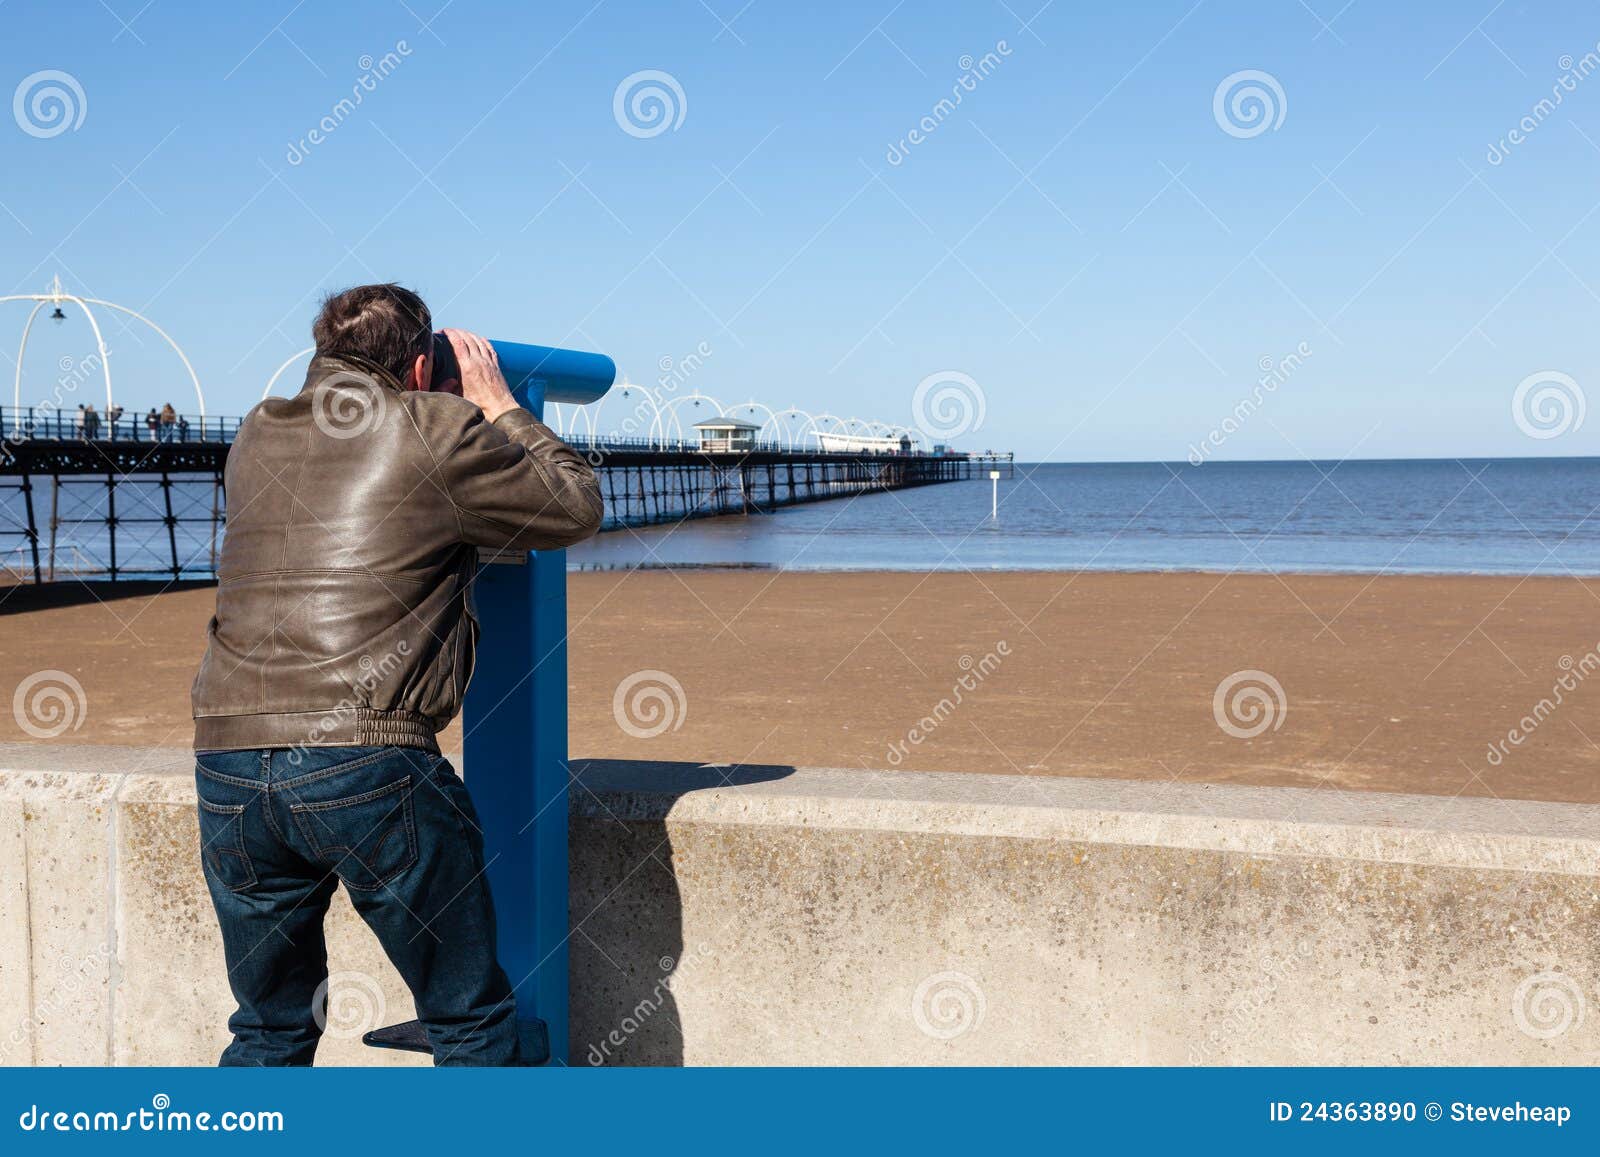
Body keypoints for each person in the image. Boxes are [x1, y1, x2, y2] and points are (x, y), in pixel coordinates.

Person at [189, 283, 602, 1067]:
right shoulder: (435, 427)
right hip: (364, 760)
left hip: (230, 761)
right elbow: (574, 505)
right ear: (419, 366)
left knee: (268, 1027)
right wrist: (497, 404)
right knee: (472, 1024)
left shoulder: (256, 433)